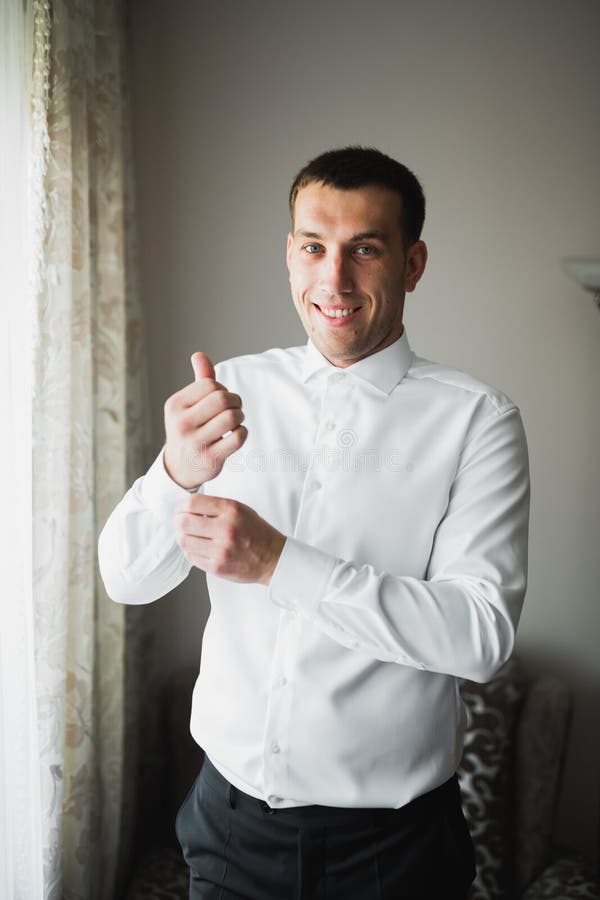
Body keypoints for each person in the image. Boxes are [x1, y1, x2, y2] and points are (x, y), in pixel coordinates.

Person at [98, 146, 530, 899]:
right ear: (290, 256)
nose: (334, 280)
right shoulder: (228, 391)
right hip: (227, 829)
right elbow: (125, 579)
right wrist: (173, 474)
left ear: (413, 262)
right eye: (313, 248)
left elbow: (480, 636)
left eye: (365, 249)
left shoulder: (478, 422)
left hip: (393, 854)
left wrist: (277, 563)